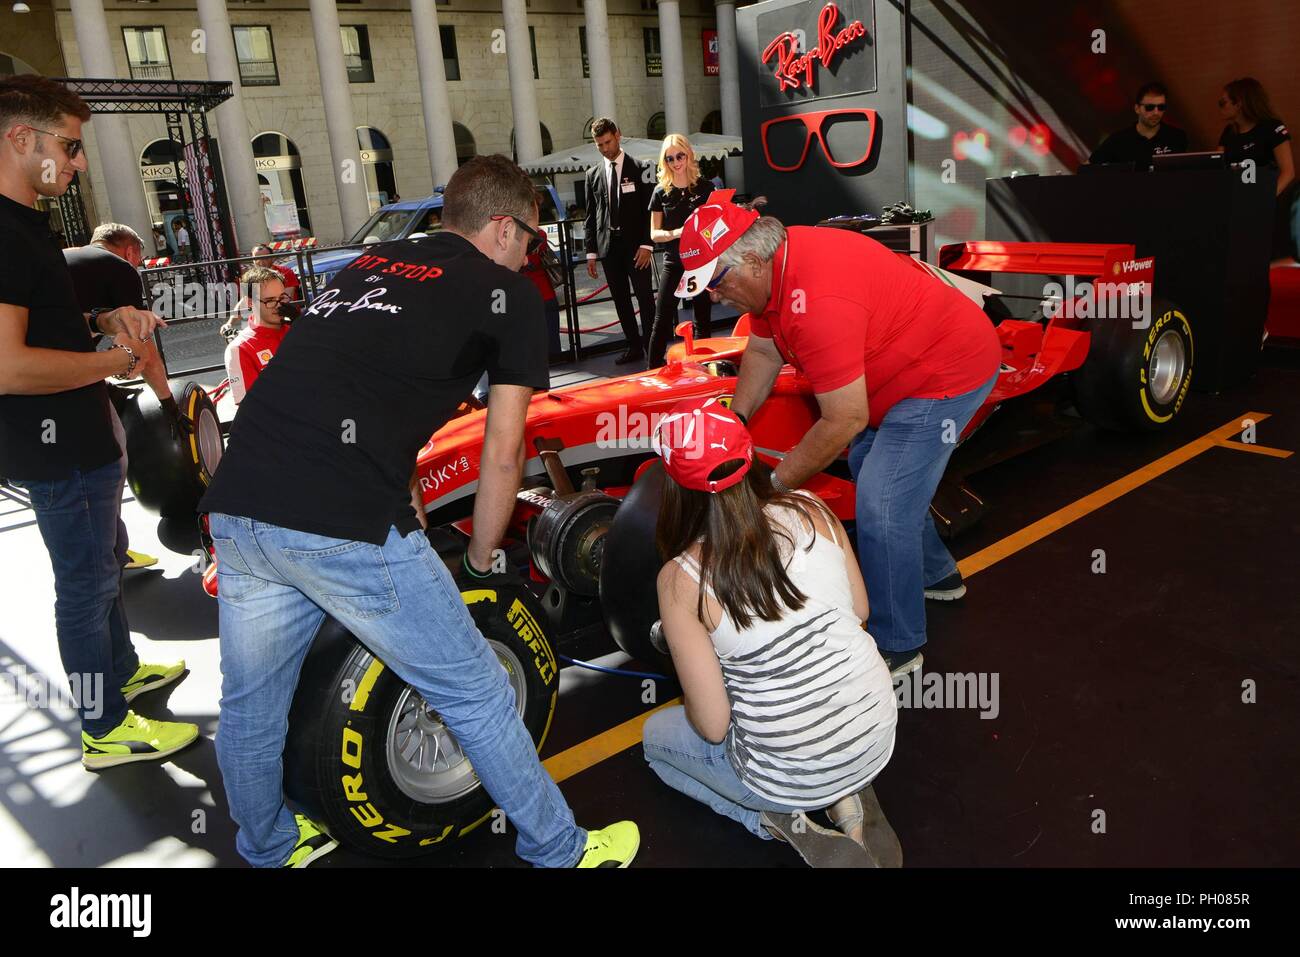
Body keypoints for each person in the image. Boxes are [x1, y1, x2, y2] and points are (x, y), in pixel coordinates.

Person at [198, 154, 639, 868]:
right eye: (531, 237)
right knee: (475, 688)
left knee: (251, 707)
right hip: (342, 520)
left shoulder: (372, 264)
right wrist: (480, 559)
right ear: (502, 227)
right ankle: (563, 850)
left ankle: (269, 845)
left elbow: (359, 392)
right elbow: (504, 453)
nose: (533, 253)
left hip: (240, 504)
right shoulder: (509, 294)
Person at [675, 190, 1001, 676]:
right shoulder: (774, 270)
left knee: (881, 503)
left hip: (944, 376)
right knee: (876, 467)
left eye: (716, 283)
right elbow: (763, 355)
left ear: (750, 260)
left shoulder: (818, 298)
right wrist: (735, 420)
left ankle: (899, 644)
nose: (713, 296)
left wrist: (772, 486)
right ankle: (938, 575)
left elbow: (844, 418)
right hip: (900, 376)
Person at [0, 74, 197, 769]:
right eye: (69, 145)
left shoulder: (27, 223)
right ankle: (103, 724)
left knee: (106, 569)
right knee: (83, 587)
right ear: (20, 139)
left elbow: (46, 327)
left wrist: (105, 318)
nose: (79, 162)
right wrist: (109, 360)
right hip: (57, 452)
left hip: (80, 442)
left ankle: (120, 674)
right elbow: (8, 365)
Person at [644, 396, 900, 868]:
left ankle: (779, 821)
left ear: (674, 486)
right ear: (750, 454)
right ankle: (851, 797)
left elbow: (715, 725)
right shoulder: (810, 507)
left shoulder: (681, 579)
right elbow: (859, 610)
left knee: (655, 740)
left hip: (786, 772)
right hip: (877, 729)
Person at [64, 222, 161, 570]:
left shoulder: (69, 258)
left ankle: (102, 551)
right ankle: (111, 552)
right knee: (113, 457)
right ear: (131, 251)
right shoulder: (119, 268)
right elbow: (143, 346)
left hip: (32, 375)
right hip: (68, 375)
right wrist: (166, 402)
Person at [583, 118, 656, 364]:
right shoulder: (592, 174)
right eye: (599, 145)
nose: (605, 148)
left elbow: (651, 210)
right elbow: (591, 215)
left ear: (618, 135)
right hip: (609, 249)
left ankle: (652, 349)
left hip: (637, 247)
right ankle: (634, 347)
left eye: (607, 142)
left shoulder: (641, 167)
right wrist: (591, 252)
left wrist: (647, 244)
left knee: (645, 298)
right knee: (621, 300)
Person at [645, 134, 714, 369]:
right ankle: (651, 372)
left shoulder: (706, 188)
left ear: (689, 154)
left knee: (703, 320)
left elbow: (715, 225)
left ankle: (705, 371)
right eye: (670, 158)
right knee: (661, 320)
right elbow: (654, 234)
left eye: (680, 155)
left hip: (700, 262)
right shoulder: (660, 192)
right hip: (673, 262)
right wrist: (677, 232)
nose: (676, 162)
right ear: (664, 161)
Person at [1217, 77, 1296, 263]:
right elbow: (1218, 168)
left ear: (1239, 104)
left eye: (1223, 102)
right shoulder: (1229, 133)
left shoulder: (1271, 127)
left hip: (1267, 207)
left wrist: (1265, 199)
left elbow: (1288, 172)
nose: (1220, 107)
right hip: (1237, 205)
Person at [222, 266, 294, 405]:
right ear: (250, 302)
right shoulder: (239, 349)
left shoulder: (297, 330)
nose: (279, 306)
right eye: (270, 300)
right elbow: (249, 410)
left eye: (282, 298)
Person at [1088, 82, 1188, 169]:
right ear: (1137, 108)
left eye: (1161, 107)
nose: (1156, 112)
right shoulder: (1118, 140)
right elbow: (1087, 168)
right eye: (1150, 107)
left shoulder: (1177, 137)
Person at [521, 246, 563, 356]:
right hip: (545, 294)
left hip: (529, 296)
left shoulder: (514, 242)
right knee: (552, 336)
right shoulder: (539, 237)